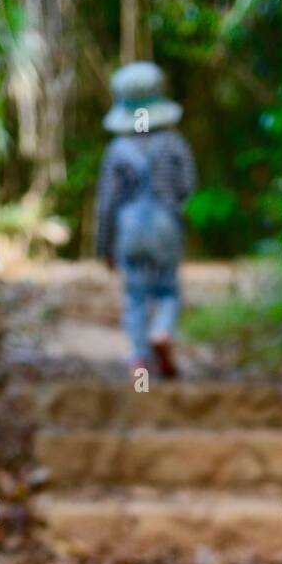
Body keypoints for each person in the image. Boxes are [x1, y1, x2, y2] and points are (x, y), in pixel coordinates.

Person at [95, 61, 197, 379]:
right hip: (166, 225)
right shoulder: (175, 143)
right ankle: (162, 331)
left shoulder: (117, 150)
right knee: (167, 291)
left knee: (136, 295)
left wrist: (104, 247)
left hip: (129, 230)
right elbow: (188, 187)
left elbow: (107, 203)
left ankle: (139, 356)